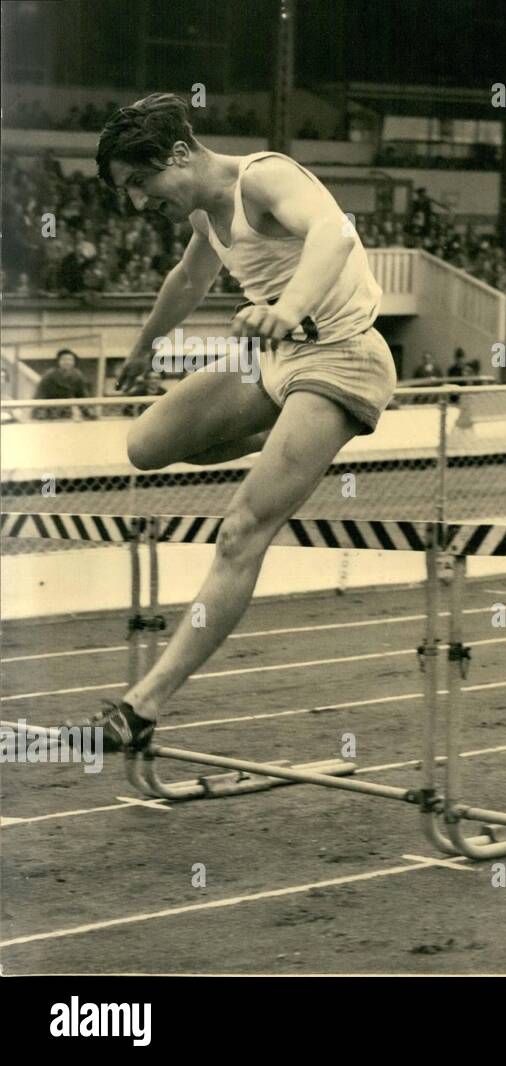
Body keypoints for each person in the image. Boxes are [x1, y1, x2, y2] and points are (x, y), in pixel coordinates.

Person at [70, 92, 394, 753]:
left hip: (343, 358)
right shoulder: (202, 214)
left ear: (181, 154)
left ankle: (142, 707)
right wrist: (142, 346)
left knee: (241, 531)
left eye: (140, 183)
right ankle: (292, 441)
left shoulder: (265, 177)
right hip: (275, 360)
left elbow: (336, 232)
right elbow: (188, 282)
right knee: (146, 445)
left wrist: (287, 307)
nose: (138, 203)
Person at [34, 349, 96, 420]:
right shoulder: (49, 375)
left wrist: (89, 411)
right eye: (64, 360)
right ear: (58, 362)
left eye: (70, 360)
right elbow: (41, 394)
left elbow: (83, 395)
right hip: (49, 410)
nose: (67, 362)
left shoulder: (77, 375)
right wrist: (41, 411)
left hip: (66, 411)